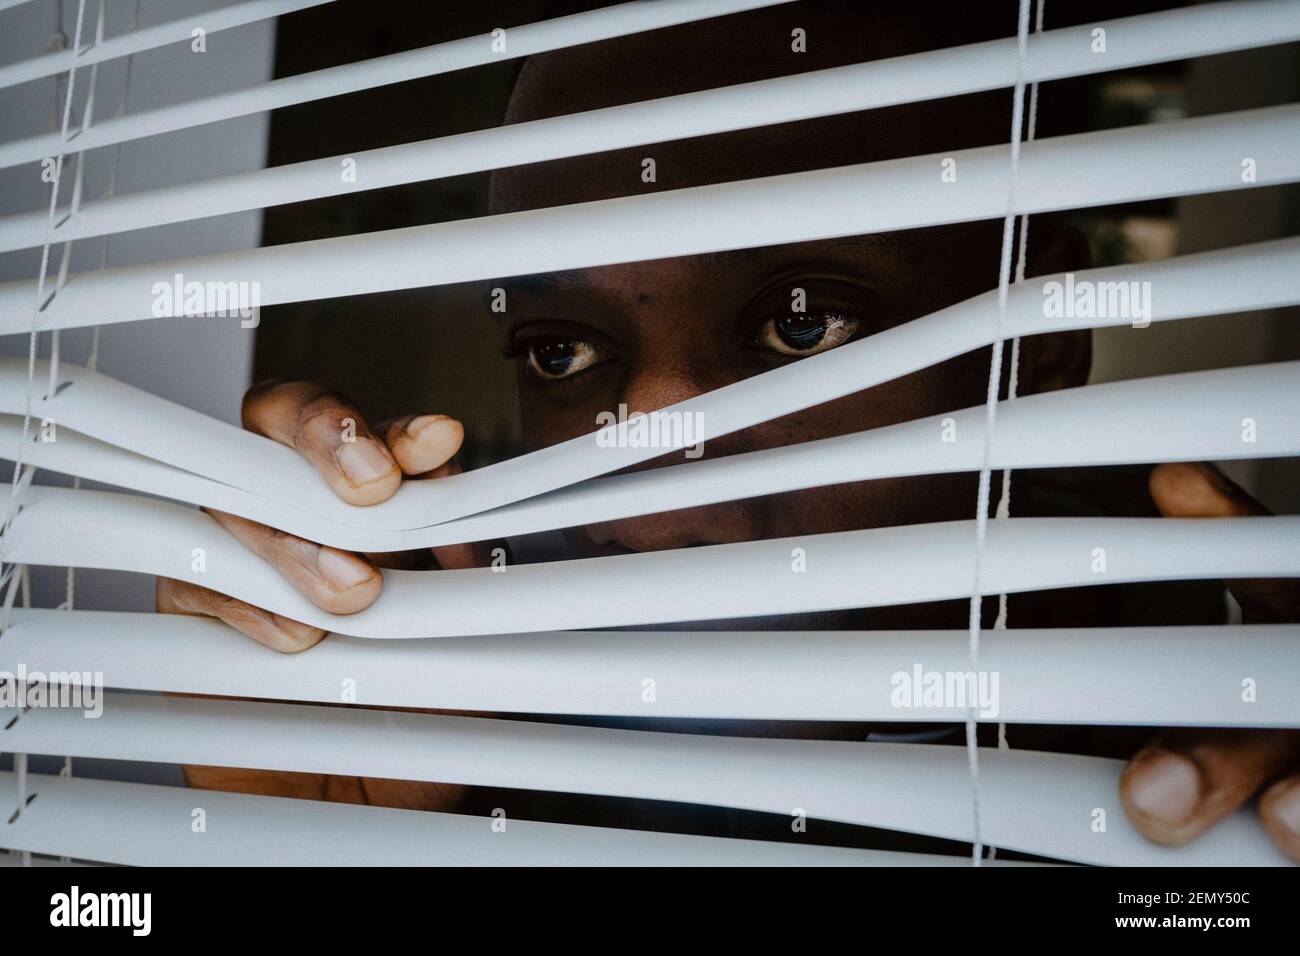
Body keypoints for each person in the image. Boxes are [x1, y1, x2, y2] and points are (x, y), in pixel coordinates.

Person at [159, 1, 1300, 860]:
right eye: (563, 352)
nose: (655, 497)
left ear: (1042, 341)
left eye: (800, 329)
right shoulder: (447, 689)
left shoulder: (1209, 721)